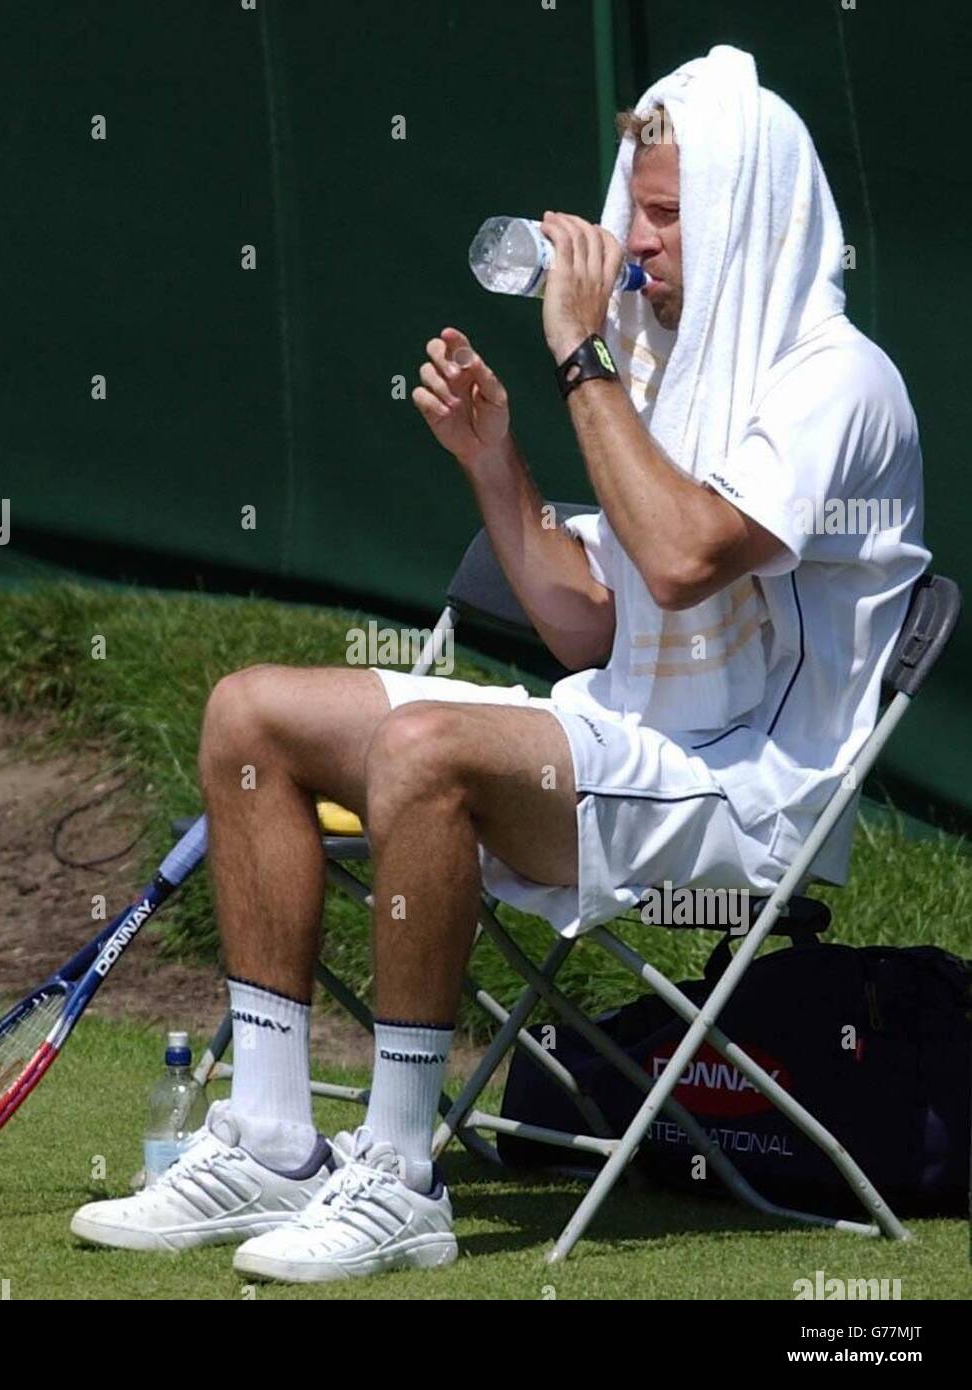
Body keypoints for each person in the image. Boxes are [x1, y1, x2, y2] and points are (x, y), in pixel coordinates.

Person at [70, 45, 928, 1281]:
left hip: (748, 798)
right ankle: (267, 1137)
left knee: (427, 752)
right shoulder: (666, 362)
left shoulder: (840, 384)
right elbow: (591, 625)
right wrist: (495, 460)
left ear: (753, 220)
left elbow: (684, 557)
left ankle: (402, 1171)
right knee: (247, 713)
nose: (638, 240)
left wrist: (582, 357)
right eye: (636, 206)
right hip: (622, 736)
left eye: (671, 214)